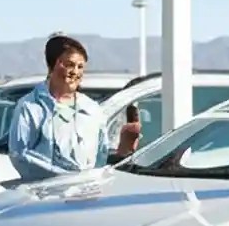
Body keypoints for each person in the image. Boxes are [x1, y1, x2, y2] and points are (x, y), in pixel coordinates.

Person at [8, 34, 141, 181]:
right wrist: (65, 178)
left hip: (85, 195)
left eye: (80, 67)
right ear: (51, 65)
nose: (75, 72)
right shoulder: (30, 107)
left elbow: (101, 156)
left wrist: (122, 150)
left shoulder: (92, 109)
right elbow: (20, 155)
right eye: (69, 65)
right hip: (45, 196)